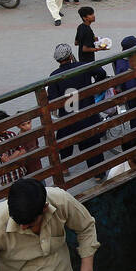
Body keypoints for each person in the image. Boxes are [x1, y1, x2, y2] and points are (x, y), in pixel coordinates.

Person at [46, 44, 107, 176]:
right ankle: (98, 174)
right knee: (92, 143)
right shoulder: (83, 66)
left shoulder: (54, 76)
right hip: (87, 114)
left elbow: (53, 100)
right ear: (70, 55)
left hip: (68, 118)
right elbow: (102, 73)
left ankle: (65, 167)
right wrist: (94, 86)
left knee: (63, 137)